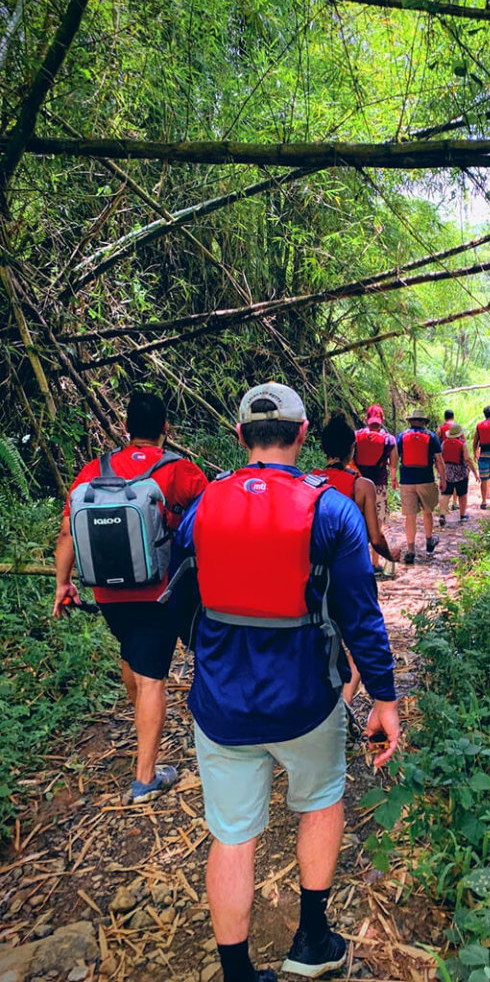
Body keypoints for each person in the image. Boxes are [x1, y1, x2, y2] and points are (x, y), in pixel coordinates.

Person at [175, 382, 399, 982]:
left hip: (221, 704)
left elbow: (183, 598)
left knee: (232, 838)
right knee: (321, 803)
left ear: (239, 436)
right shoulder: (330, 509)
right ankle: (311, 941)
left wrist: (210, 653)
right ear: (302, 435)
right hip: (306, 700)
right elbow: (361, 614)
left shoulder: (203, 506)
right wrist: (383, 698)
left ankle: (237, 973)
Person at [52, 390, 207, 804]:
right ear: (165, 430)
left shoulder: (93, 470)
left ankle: (144, 729)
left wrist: (62, 583)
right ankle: (145, 777)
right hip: (159, 591)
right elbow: (209, 521)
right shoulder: (180, 471)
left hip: (107, 591)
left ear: (125, 428)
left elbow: (68, 533)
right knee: (153, 676)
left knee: (132, 658)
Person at [314, 412, 401, 705]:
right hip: (350, 576)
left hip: (313, 574)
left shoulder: (307, 482)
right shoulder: (361, 485)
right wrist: (392, 556)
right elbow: (375, 538)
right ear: (353, 448)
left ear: (323, 448)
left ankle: (327, 702)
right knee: (359, 641)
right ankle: (345, 704)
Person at [396, 408, 446, 565]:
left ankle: (411, 550)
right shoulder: (431, 436)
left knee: (410, 516)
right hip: (426, 479)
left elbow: (394, 457)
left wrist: (393, 476)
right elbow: (439, 460)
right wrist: (443, 478)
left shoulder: (401, 437)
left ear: (410, 421)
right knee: (427, 511)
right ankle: (429, 543)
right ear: (424, 422)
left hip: (406, 481)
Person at [353, 404, 398, 575]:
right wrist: (393, 479)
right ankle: (375, 563)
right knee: (378, 523)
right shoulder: (389, 440)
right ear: (382, 420)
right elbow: (393, 463)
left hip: (358, 484)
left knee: (358, 521)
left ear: (367, 419)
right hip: (378, 486)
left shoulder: (356, 436)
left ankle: (359, 562)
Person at [438, 423, 478, 525]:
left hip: (447, 471)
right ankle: (462, 515)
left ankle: (442, 515)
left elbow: (440, 457)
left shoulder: (444, 443)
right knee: (462, 494)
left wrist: (440, 471)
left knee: (445, 493)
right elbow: (467, 459)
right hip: (460, 472)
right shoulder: (462, 444)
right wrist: (474, 471)